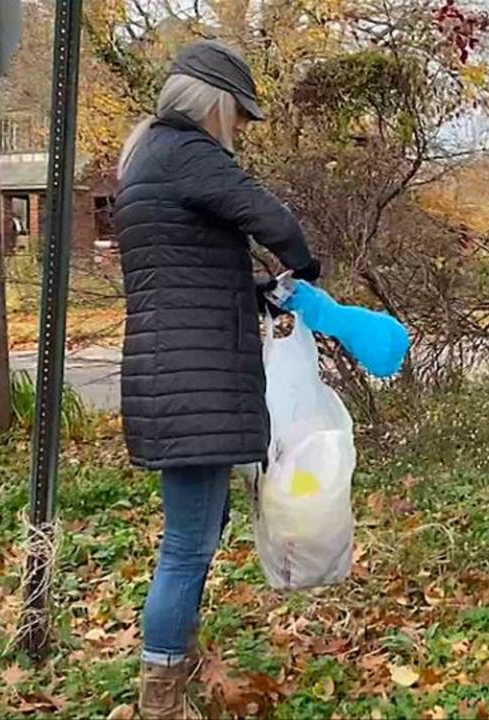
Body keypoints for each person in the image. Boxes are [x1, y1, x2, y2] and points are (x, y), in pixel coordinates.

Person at [113, 39, 320, 719]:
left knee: (198, 527)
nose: (240, 130)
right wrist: (303, 266)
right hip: (195, 378)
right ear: (215, 105)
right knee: (187, 544)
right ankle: (161, 699)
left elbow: (182, 275)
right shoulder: (187, 151)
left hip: (170, 372)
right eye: (240, 116)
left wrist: (254, 291)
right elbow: (275, 221)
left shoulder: (145, 156)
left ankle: (178, 659)